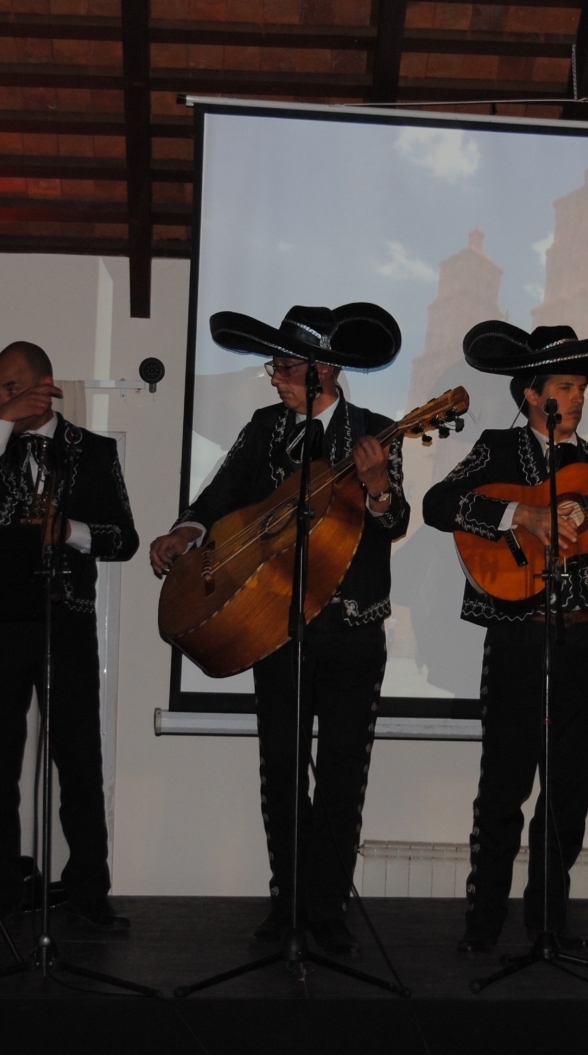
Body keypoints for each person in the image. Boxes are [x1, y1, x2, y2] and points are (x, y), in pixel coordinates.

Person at [148, 304, 406, 957]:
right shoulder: (264, 430)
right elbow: (219, 497)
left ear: (326, 369)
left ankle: (328, 907)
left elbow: (392, 519)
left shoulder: (373, 432)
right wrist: (185, 531)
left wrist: (377, 488)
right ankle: (287, 902)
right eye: (277, 365)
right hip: (276, 624)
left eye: (286, 367)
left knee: (343, 772)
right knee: (282, 768)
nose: (276, 379)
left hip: (352, 629)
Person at [422, 322, 588, 953]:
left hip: (586, 644)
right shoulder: (499, 451)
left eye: (583, 387)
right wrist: (522, 513)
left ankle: (547, 921)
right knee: (504, 786)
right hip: (518, 637)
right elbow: (438, 504)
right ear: (532, 393)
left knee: (569, 790)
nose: (579, 397)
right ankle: (483, 923)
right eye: (566, 386)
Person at [0, 341, 138, 930]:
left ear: (46, 385)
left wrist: (71, 531)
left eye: (12, 388)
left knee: (78, 758)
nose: (1, 399)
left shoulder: (92, 450)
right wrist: (2, 422)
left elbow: (123, 539)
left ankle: (88, 889)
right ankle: (3, 886)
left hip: (66, 620)